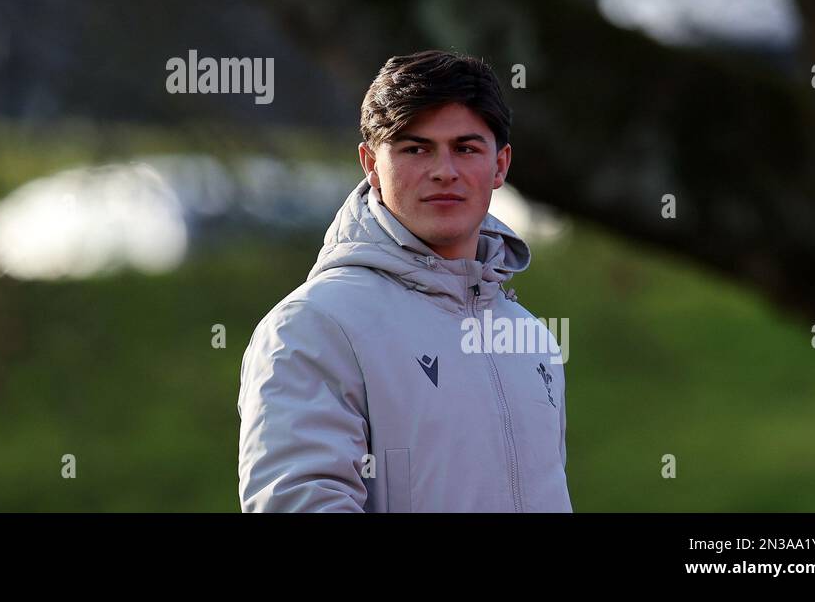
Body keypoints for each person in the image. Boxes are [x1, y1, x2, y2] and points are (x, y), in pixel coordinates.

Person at [237, 49, 571, 511]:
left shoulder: (530, 337)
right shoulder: (312, 327)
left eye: (466, 148)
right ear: (371, 163)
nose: (444, 171)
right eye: (416, 148)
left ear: (500, 166)